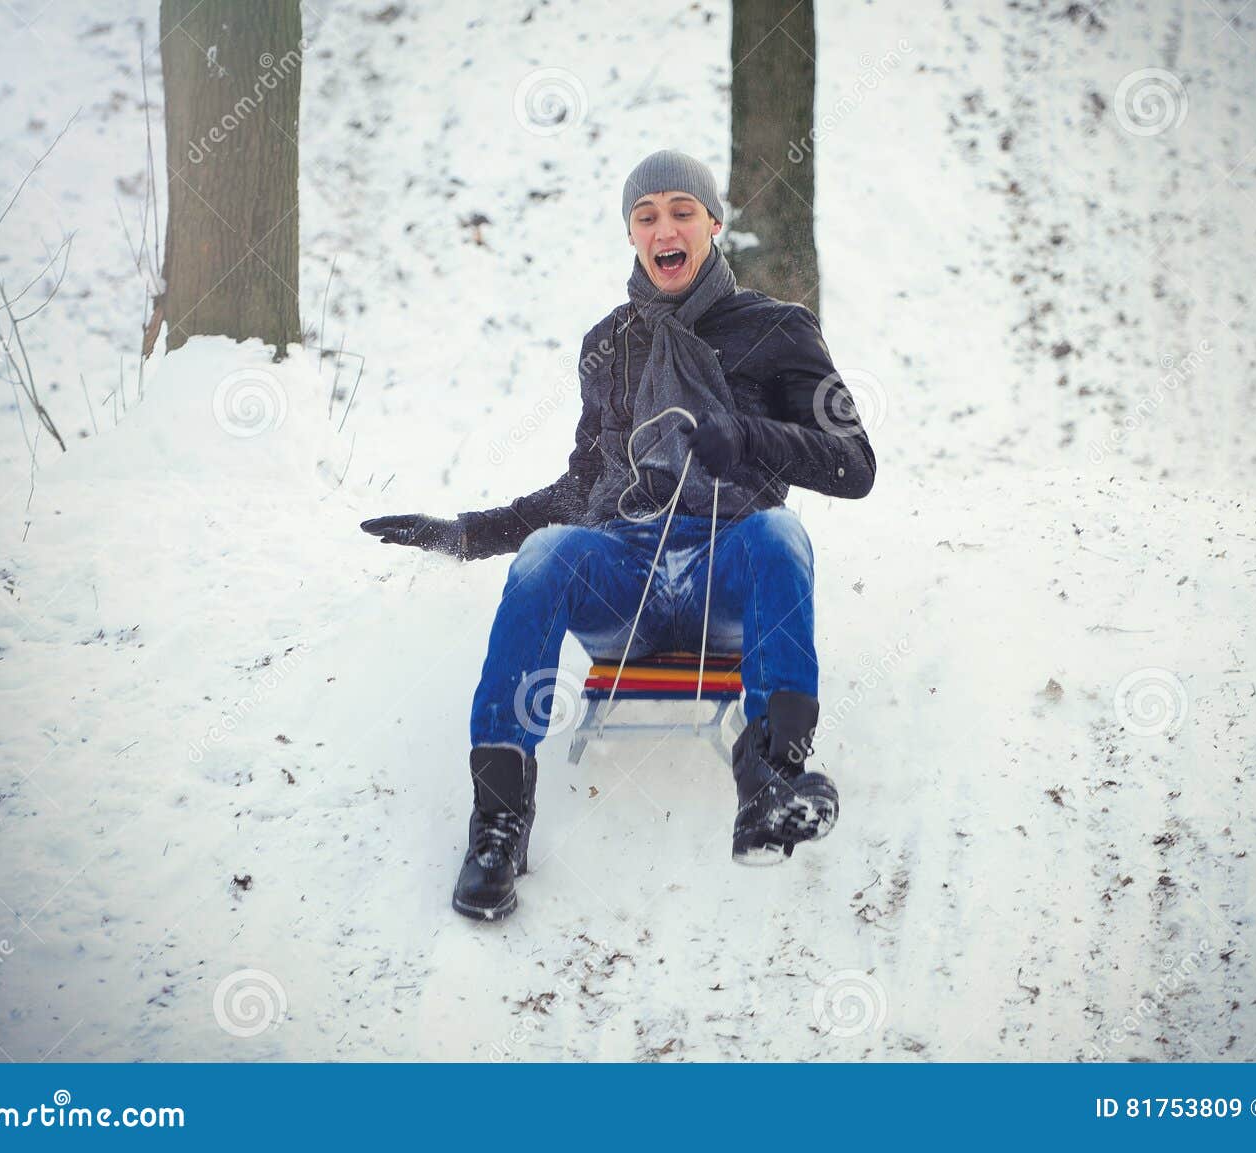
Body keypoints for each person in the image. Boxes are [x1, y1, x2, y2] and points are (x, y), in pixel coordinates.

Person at [361, 149, 876, 921]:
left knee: (782, 536)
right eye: (646, 215)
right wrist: (465, 533)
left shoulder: (780, 330)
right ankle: (500, 819)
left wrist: (751, 439)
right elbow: (580, 487)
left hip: (726, 565)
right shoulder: (609, 345)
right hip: (625, 573)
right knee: (548, 553)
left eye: (680, 210)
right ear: (632, 234)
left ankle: (769, 779)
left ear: (714, 223)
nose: (664, 227)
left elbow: (855, 464)